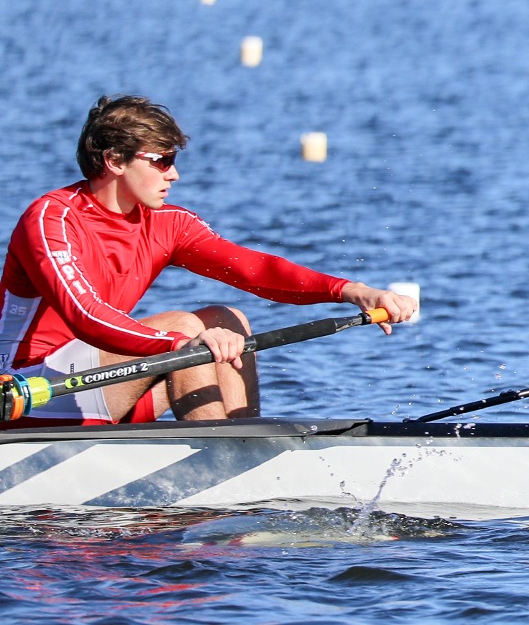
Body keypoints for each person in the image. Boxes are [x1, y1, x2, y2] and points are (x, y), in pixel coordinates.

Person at [1, 96, 418, 429]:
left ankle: (240, 445)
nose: (174, 175)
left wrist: (353, 291)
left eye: (174, 161)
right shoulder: (51, 219)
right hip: (27, 389)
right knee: (186, 326)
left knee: (225, 318)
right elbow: (84, 316)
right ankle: (224, 478)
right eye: (161, 161)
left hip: (101, 384)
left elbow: (256, 270)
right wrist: (177, 343)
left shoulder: (168, 224)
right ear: (114, 161)